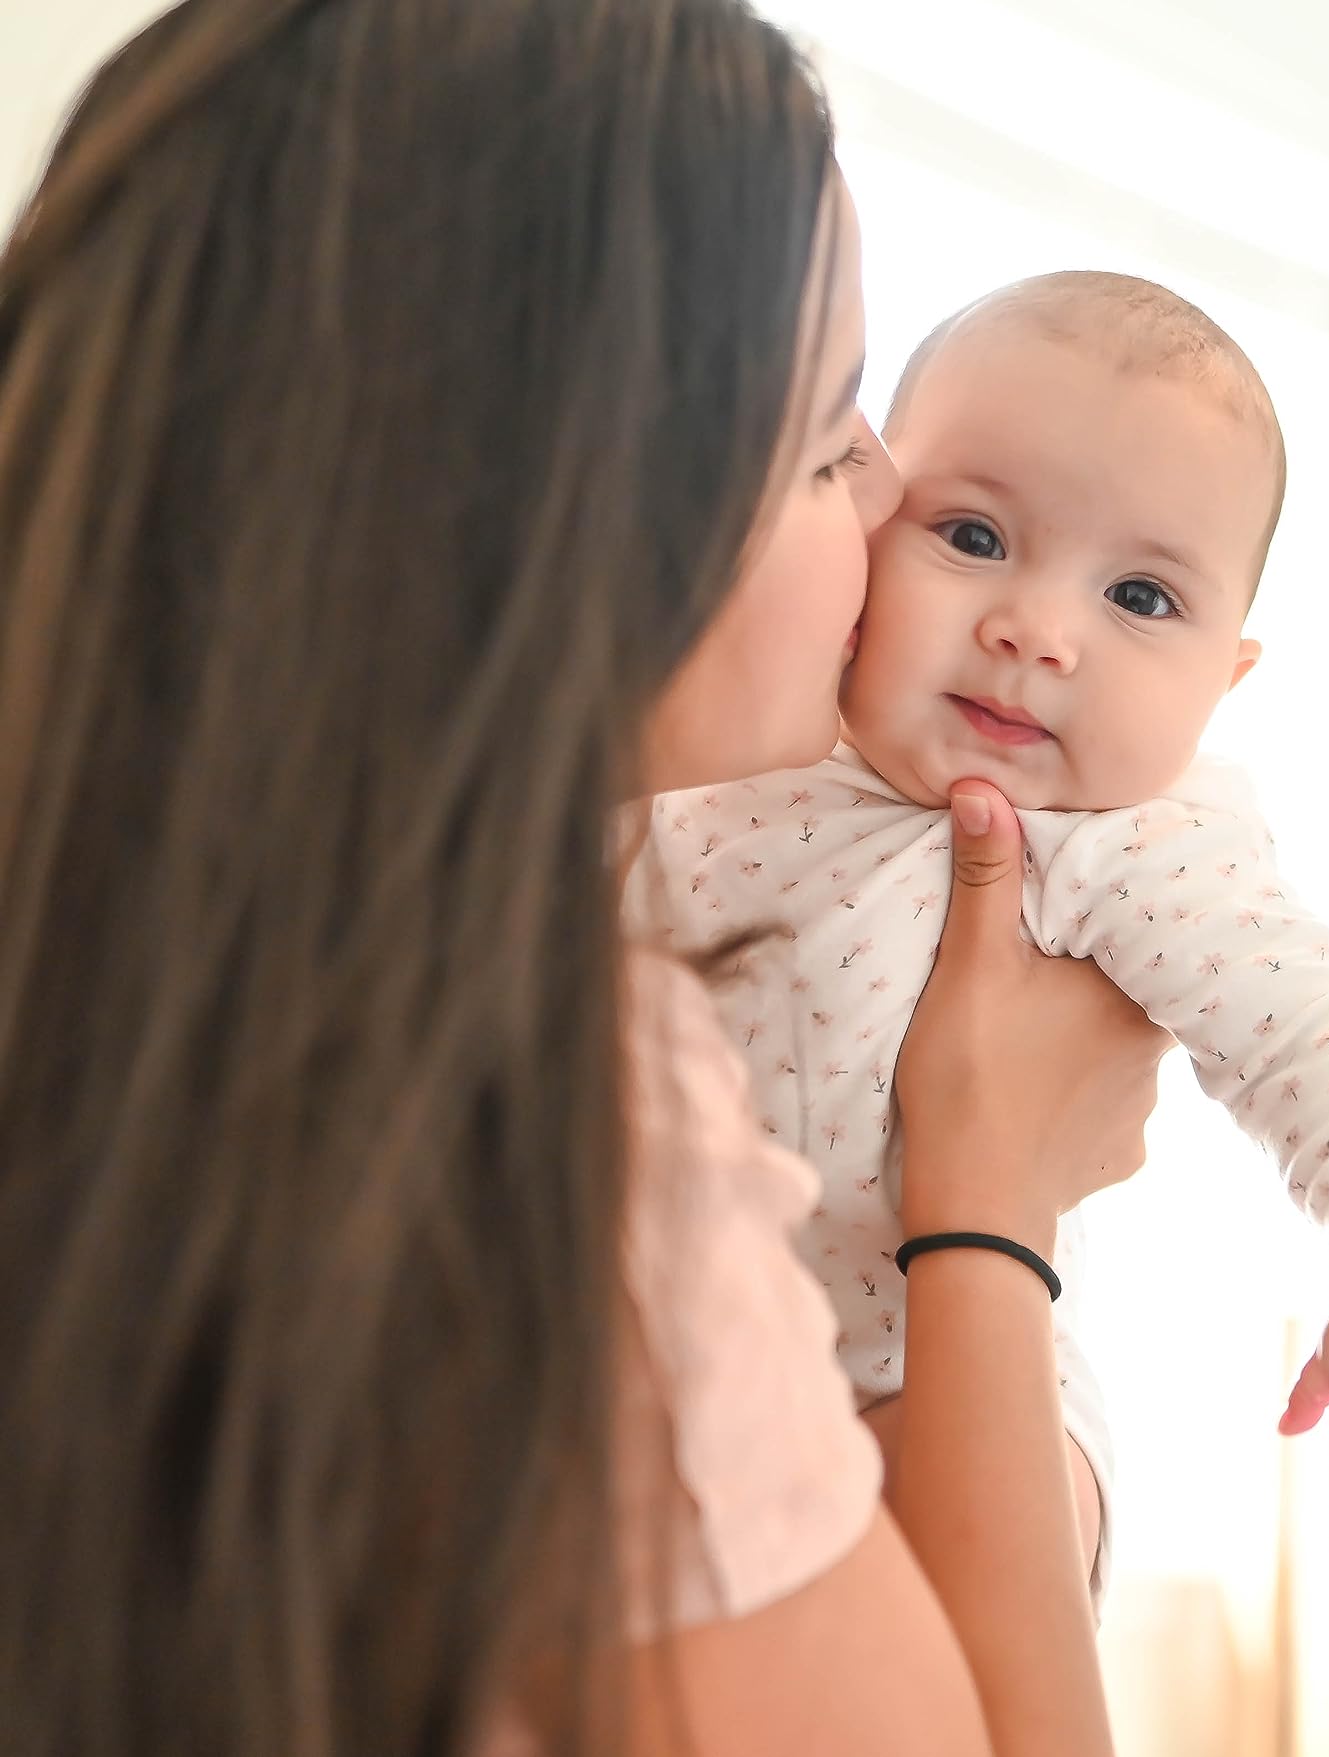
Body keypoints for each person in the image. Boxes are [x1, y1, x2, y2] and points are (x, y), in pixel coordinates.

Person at [0, 2, 1156, 1752]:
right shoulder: (542, 1121)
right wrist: (995, 1190)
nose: (893, 482)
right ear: (569, 502)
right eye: (830, 428)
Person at [638, 271, 1329, 1575]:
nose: (1035, 631)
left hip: (929, 1379)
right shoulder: (749, 737)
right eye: (975, 537)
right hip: (674, 1349)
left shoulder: (1131, 840)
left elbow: (1310, 1028)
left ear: (1225, 682)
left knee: (971, 1543)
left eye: (1141, 598)